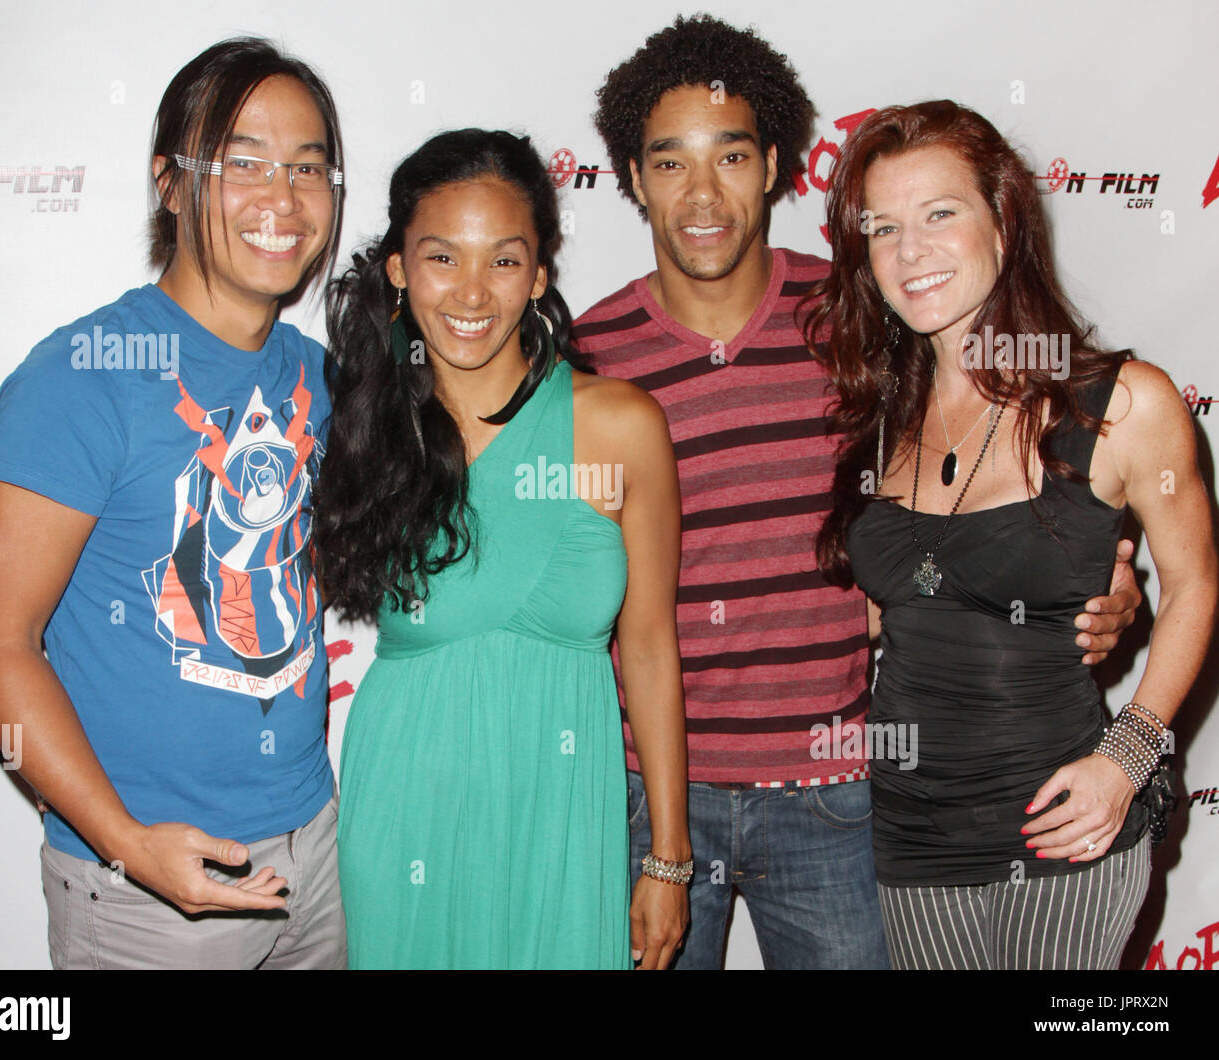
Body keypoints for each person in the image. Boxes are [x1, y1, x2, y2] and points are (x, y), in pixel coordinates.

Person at [573, 15, 1143, 969]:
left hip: (837, 793)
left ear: (775, 167)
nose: (702, 193)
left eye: (732, 156)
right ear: (633, 178)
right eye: (669, 163)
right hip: (653, 800)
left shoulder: (858, 323)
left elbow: (991, 472)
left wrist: (1092, 586)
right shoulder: (590, 356)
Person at [0, 38, 348, 969]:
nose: (281, 199)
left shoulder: (320, 377)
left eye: (307, 167)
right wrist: (129, 846)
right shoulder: (78, 378)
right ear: (171, 185)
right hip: (144, 893)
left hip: (317, 856)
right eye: (243, 163)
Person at [805, 99, 1217, 969]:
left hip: (1064, 831)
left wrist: (1128, 757)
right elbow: (894, 610)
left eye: (940, 214)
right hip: (907, 842)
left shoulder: (1121, 403)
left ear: (1004, 220)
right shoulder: (879, 416)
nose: (910, 251)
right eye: (882, 229)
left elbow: (1193, 584)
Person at [316, 129, 690, 969]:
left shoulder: (620, 424)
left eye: (505, 260)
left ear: (541, 275)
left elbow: (651, 645)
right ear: (399, 270)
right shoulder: (366, 430)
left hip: (562, 811)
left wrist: (669, 856)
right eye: (442, 258)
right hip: (407, 803)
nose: (473, 292)